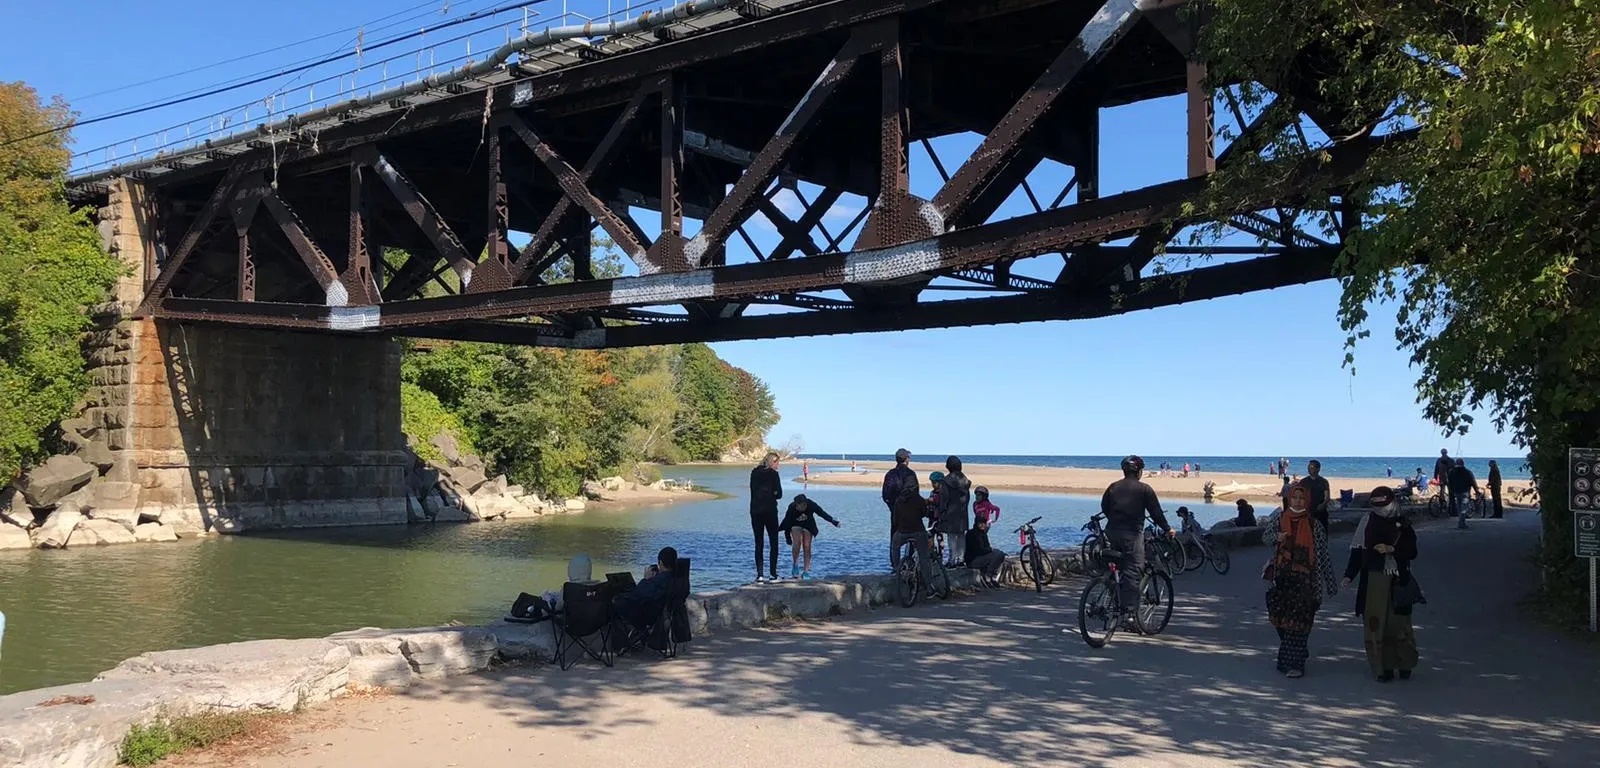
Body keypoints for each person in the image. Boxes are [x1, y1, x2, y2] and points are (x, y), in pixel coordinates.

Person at [1261, 483, 1339, 678]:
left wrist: (1330, 582)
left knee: (1299, 623)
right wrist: (1276, 536)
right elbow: (1265, 538)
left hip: (1306, 580)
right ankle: (1296, 652)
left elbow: (1323, 554)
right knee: (1279, 619)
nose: (1297, 501)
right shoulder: (1279, 519)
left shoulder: (1314, 525)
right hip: (1282, 578)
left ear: (1307, 500)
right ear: (1289, 499)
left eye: (1301, 498)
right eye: (1294, 497)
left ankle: (1295, 664)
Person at [1343, 486, 1420, 682]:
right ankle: (1382, 667)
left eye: (1384, 506)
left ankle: (1404, 663)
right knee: (1375, 624)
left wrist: (1392, 549)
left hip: (1398, 577)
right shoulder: (1367, 522)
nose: (1381, 511)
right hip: (1373, 578)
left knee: (1400, 624)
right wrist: (1349, 576)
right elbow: (1357, 552)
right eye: (1377, 508)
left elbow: (1412, 551)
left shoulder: (1403, 523)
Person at [1101, 455, 1174, 616]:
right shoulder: (1144, 489)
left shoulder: (1113, 487)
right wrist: (1167, 529)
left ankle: (1113, 592)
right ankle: (1130, 614)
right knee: (1134, 570)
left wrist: (1114, 519)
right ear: (1139, 471)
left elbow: (1104, 506)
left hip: (1112, 531)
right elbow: (1156, 513)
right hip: (1132, 534)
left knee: (1118, 565)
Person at [614, 547, 679, 630]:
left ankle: (621, 636)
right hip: (662, 616)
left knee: (616, 601)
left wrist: (646, 579)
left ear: (660, 562)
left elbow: (637, 595)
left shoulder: (657, 582)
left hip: (648, 618)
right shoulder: (676, 578)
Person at [780, 494, 839, 580]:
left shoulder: (811, 504)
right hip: (795, 524)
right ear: (796, 505)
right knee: (797, 542)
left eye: (805, 504)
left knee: (807, 546)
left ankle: (806, 571)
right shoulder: (791, 508)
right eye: (801, 505)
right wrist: (787, 537)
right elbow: (787, 522)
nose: (804, 507)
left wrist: (832, 521)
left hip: (808, 525)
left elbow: (821, 513)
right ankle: (795, 565)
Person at [890, 475, 934, 588]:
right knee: (924, 558)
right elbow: (925, 513)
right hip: (918, 531)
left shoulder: (899, 500)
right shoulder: (918, 499)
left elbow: (895, 518)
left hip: (902, 532)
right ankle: (929, 587)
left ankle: (897, 567)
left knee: (895, 546)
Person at [749, 452, 784, 583]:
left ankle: (760, 575)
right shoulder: (773, 474)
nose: (778, 466)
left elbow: (753, 490)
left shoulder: (754, 472)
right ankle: (773, 574)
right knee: (773, 542)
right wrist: (773, 493)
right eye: (777, 463)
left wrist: (770, 492)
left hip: (755, 511)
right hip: (769, 511)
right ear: (772, 462)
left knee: (759, 543)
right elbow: (779, 494)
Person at [881, 448, 916, 570]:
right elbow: (914, 493)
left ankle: (895, 565)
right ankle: (909, 563)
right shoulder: (910, 474)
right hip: (907, 511)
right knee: (913, 537)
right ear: (906, 460)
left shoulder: (890, 474)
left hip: (896, 511)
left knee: (895, 539)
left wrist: (892, 506)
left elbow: (885, 495)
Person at [937, 456, 972, 567]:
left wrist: (942, 511)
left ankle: (952, 560)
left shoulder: (946, 481)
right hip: (962, 513)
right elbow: (967, 498)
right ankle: (960, 559)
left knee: (951, 537)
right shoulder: (965, 480)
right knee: (961, 536)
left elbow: (944, 499)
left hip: (950, 513)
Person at [964, 516, 1007, 586]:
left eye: (984, 523)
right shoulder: (971, 534)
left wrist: (990, 550)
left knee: (1001, 554)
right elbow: (977, 550)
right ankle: (988, 576)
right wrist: (990, 550)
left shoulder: (983, 534)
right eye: (981, 523)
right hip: (973, 559)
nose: (983, 525)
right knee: (996, 555)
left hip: (982, 556)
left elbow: (987, 546)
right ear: (976, 524)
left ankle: (993, 577)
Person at [1446, 458, 1480, 529]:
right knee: (1464, 508)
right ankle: (1461, 523)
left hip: (1456, 491)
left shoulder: (1451, 472)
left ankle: (1460, 521)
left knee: (1459, 507)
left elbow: (1449, 482)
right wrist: (1476, 491)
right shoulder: (1467, 472)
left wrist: (1451, 490)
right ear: (1463, 463)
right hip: (1465, 491)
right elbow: (1472, 482)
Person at [1301, 459, 1331, 529]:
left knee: (1322, 531)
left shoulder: (1323, 482)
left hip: (1320, 511)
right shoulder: (1303, 482)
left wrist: (1323, 505)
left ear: (1318, 469)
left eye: (1311, 467)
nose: (1309, 469)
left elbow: (1327, 497)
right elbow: (1299, 495)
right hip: (1307, 511)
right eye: (1308, 467)